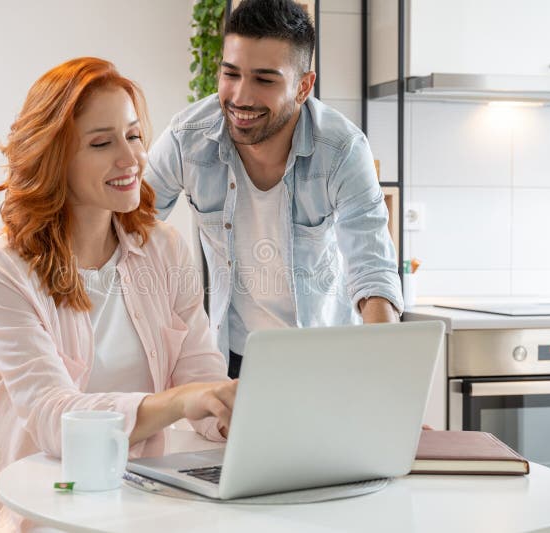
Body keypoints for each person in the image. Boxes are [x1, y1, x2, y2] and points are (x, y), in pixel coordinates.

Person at [0, 57, 236, 532]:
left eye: (133, 135)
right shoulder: (5, 268)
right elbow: (54, 416)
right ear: (56, 158)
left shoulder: (165, 249)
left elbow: (200, 374)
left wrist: (228, 413)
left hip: (127, 502)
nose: (131, 159)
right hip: (25, 508)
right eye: (101, 143)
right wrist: (179, 402)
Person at [145, 0, 403, 378]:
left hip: (324, 357)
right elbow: (127, 225)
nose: (241, 97)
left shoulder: (342, 150)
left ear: (303, 86)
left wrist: (387, 378)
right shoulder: (187, 139)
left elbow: (372, 271)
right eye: (231, 74)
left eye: (264, 80)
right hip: (233, 358)